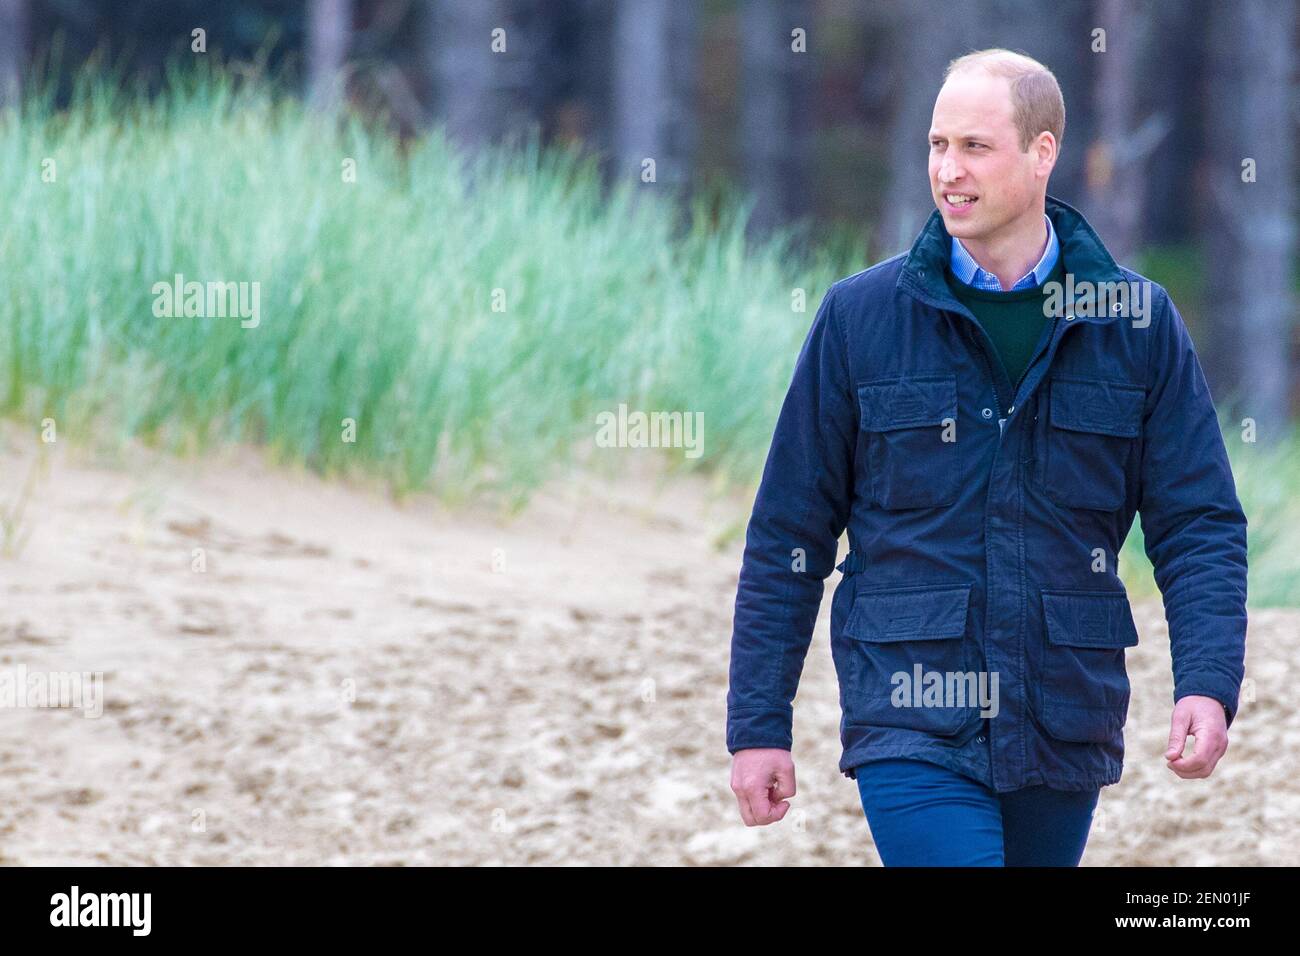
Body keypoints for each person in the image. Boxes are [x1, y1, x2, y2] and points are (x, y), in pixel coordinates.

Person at [725, 48, 1247, 866]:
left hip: (1063, 716)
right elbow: (788, 533)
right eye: (937, 145)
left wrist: (1208, 683)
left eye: (975, 146)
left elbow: (1199, 527)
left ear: (1043, 154)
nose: (947, 170)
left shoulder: (1133, 321)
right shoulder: (862, 318)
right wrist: (758, 725)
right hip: (911, 713)